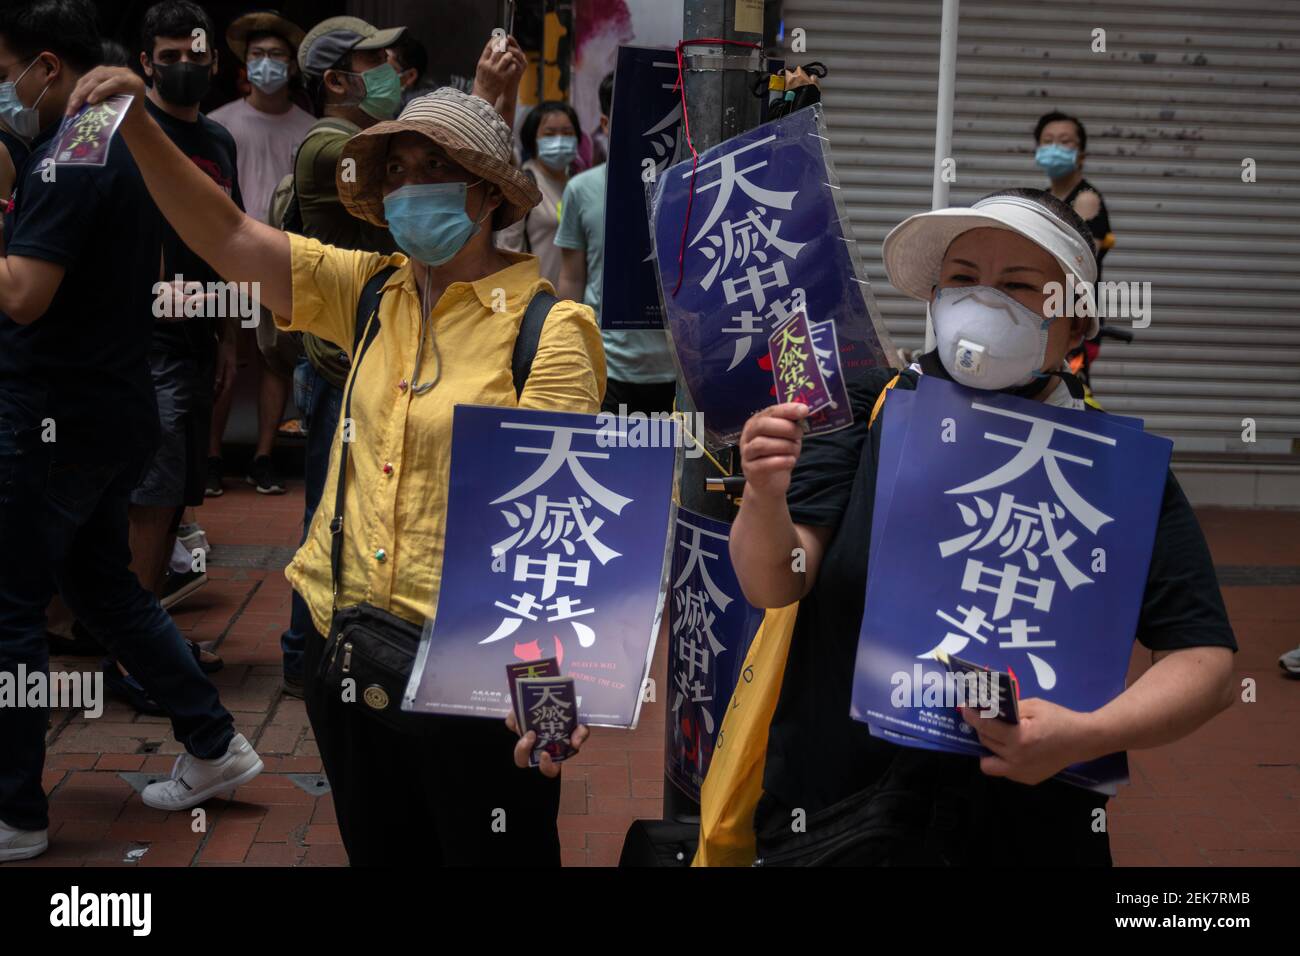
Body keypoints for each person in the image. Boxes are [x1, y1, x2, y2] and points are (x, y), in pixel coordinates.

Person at [67, 57, 602, 864]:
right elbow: (227, 234)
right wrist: (139, 124)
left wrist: (547, 703)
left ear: (490, 192)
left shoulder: (549, 330)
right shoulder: (367, 292)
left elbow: (553, 536)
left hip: (473, 672)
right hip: (342, 649)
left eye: (437, 167)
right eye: (397, 170)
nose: (410, 185)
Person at [730, 188, 1236, 866]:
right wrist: (764, 496)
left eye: (1020, 285)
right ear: (935, 299)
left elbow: (1206, 663)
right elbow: (776, 581)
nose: (983, 301)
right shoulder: (867, 409)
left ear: (1077, 323)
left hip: (1027, 831)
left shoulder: (1112, 468)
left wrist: (1085, 735)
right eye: (963, 279)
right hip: (836, 819)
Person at [0, 0, 263, 864]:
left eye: (6, 74)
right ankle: (216, 744)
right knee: (105, 587)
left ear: (46, 66)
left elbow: (22, 294)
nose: (6, 92)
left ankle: (16, 815)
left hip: (53, 417)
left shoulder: (72, 150)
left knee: (11, 612)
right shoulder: (123, 136)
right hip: (110, 404)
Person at [108, 2, 242, 710]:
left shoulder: (218, 141)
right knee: (149, 502)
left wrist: (227, 338)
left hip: (199, 339)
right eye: (169, 56)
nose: (184, 66)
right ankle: (135, 659)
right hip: (140, 342)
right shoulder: (127, 131)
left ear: (213, 61)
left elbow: (232, 240)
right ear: (144, 62)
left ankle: (151, 636)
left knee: (181, 495)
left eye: (196, 55)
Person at [204, 11, 315, 499]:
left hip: (285, 257)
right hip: (227, 255)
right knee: (225, 353)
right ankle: (211, 456)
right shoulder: (219, 124)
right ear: (243, 66)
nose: (267, 64)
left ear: (292, 66)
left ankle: (264, 455)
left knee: (275, 357)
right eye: (257, 56)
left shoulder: (311, 130)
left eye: (276, 56)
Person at [556, 73, 676, 415]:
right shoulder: (581, 189)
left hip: (676, 371)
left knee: (669, 468)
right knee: (607, 464)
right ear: (606, 124)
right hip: (607, 366)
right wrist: (565, 346)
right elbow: (572, 278)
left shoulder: (684, 185)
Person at [498, 99, 582, 286]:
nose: (559, 140)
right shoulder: (525, 184)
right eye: (550, 134)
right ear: (533, 138)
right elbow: (508, 247)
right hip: (536, 301)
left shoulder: (579, 185)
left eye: (567, 133)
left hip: (574, 302)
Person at [1034, 110, 1113, 275]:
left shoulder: (1085, 199)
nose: (1054, 148)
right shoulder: (1043, 197)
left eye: (1065, 141)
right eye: (1047, 141)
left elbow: (1080, 263)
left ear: (1081, 155)